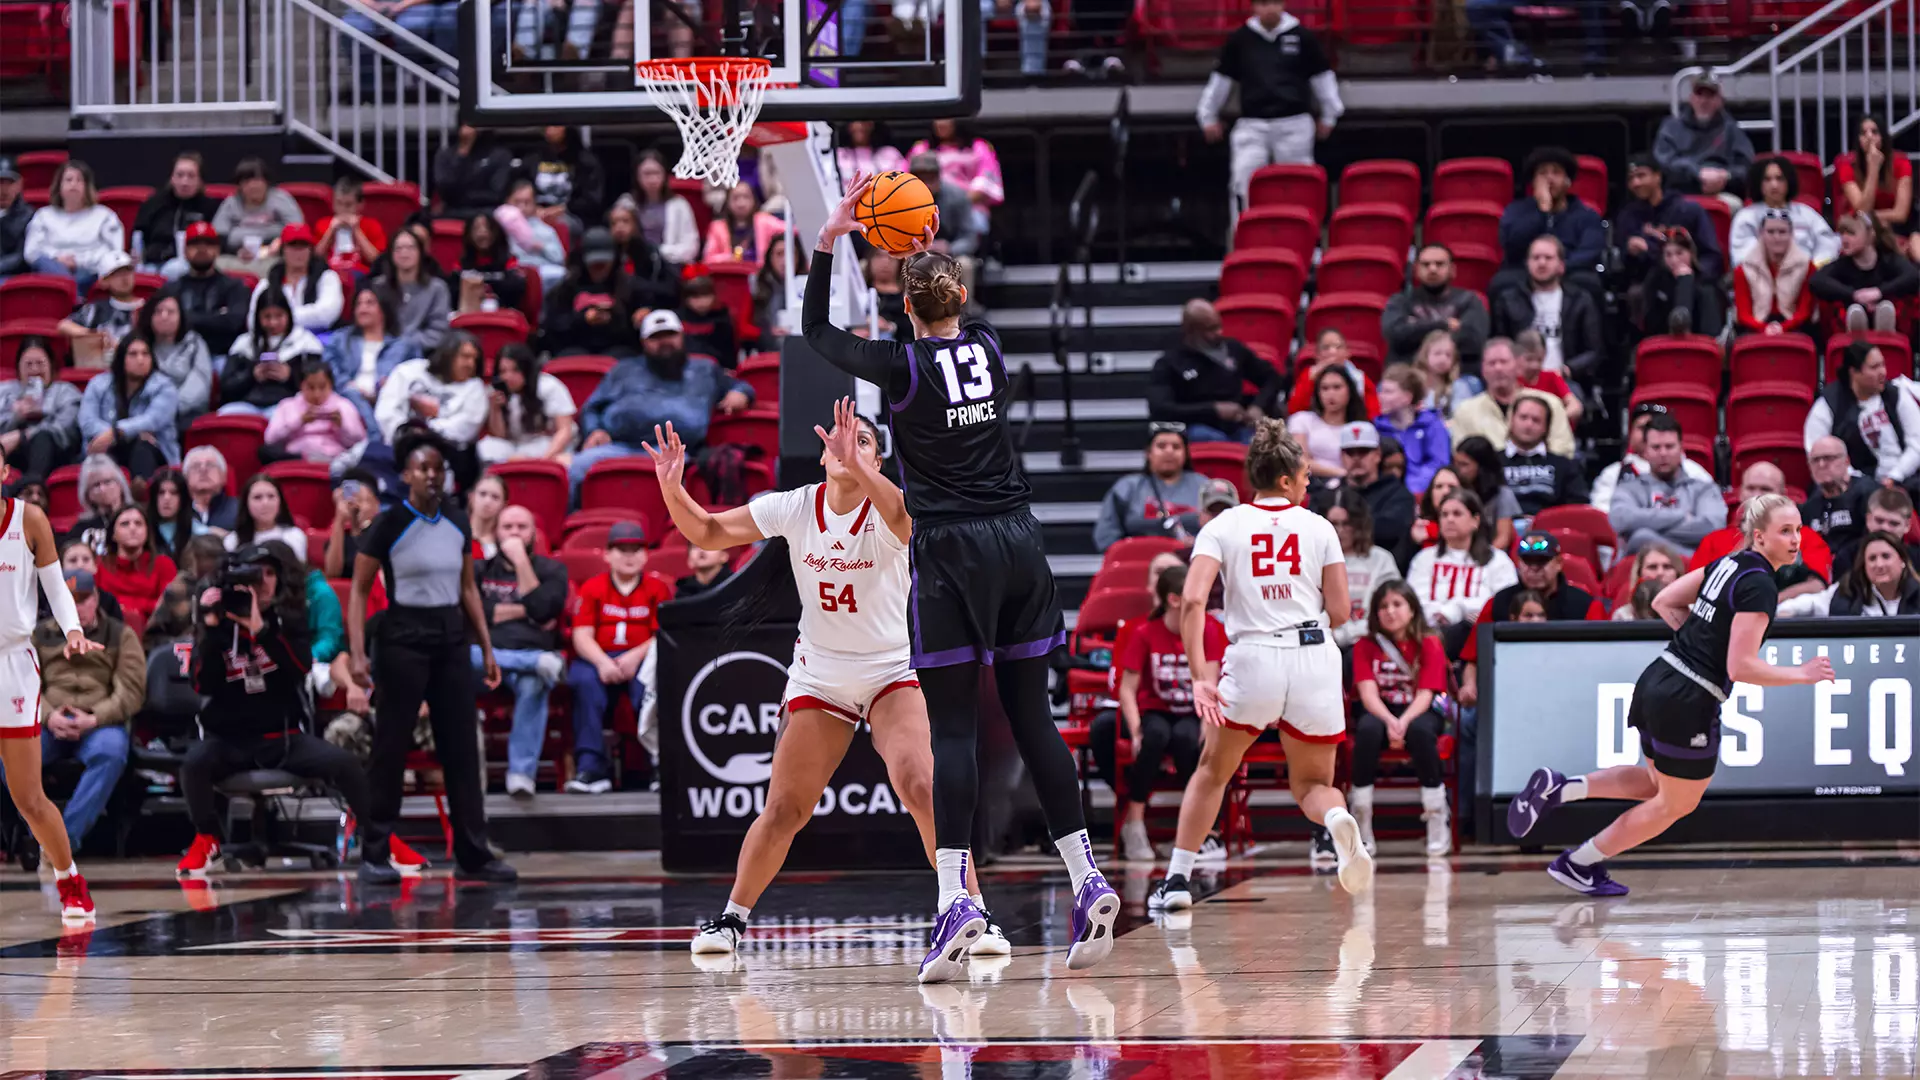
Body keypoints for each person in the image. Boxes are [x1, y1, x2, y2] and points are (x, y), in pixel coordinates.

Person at [806, 177, 1119, 981]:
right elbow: (939, 305)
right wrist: (920, 246)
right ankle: (1087, 879)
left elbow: (816, 331)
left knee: (953, 733)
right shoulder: (986, 346)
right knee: (1034, 715)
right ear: (961, 295)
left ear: (905, 308)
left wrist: (831, 237)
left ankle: (958, 902)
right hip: (1019, 541)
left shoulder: (898, 367)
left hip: (951, 553)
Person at [649, 398, 1013, 955]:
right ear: (821, 457)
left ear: (879, 460)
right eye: (838, 440)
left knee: (920, 785)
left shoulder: (893, 506)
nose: (847, 446)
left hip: (892, 669)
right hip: (820, 676)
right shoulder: (794, 507)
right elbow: (708, 533)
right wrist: (673, 488)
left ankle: (973, 913)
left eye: (863, 441)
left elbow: (906, 523)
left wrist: (862, 465)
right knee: (786, 808)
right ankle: (731, 919)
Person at [1512, 495, 1834, 895]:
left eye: (1799, 529)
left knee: (1654, 783)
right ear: (1759, 537)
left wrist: (1698, 646)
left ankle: (1561, 789)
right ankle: (1578, 863)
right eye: (1785, 531)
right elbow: (1740, 667)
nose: (1796, 539)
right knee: (1675, 804)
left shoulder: (1727, 563)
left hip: (1659, 676)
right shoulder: (1760, 584)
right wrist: (1801, 675)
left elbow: (1665, 600)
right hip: (1688, 699)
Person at [1149, 421, 1370, 911]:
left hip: (1253, 657)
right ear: (1287, 479)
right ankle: (1336, 823)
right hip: (1314, 655)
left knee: (1212, 771)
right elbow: (1340, 612)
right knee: (1314, 784)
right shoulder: (1320, 527)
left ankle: (1179, 882)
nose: (1310, 482)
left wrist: (1200, 674)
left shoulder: (1222, 526)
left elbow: (1190, 600)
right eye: (1307, 475)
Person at [346, 431, 515, 883]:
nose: (431, 475)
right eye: (421, 468)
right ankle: (375, 853)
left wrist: (486, 645)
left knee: (461, 747)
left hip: (451, 639)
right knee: (391, 747)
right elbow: (360, 591)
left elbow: (467, 590)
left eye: (437, 468)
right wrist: (359, 654)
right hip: (402, 638)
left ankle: (472, 853)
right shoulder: (388, 523)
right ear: (405, 475)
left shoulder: (458, 521)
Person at [173, 542, 375, 878]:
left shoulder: (289, 619)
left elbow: (299, 669)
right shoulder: (217, 623)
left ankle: (380, 840)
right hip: (231, 739)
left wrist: (261, 630)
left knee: (346, 763)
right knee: (193, 765)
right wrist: (208, 629)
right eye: (255, 575)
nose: (263, 582)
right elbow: (201, 684)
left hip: (283, 737)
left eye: (269, 573)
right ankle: (208, 840)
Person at [0, 462, 103, 918]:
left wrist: (73, 629)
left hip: (12, 665)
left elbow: (56, 586)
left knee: (28, 797)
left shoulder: (29, 518)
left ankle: (69, 878)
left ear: (4, 470)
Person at [569, 311, 753, 494]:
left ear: (682, 336)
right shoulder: (623, 370)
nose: (664, 342)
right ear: (643, 343)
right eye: (655, 337)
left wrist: (741, 393)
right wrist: (595, 430)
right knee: (578, 466)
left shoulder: (705, 369)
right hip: (619, 447)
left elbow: (741, 386)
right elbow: (592, 407)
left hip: (675, 452)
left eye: (670, 335)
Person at [1111, 564, 1221, 863]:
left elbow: (1210, 681)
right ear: (1174, 600)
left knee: (1188, 740)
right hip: (1156, 710)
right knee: (1154, 737)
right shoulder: (1145, 632)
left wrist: (1205, 726)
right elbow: (1127, 689)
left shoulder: (1208, 629)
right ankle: (1134, 822)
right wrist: (1135, 731)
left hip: (1192, 711)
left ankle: (1200, 830)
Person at [32, 565, 141, 855]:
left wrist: (94, 718)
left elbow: (130, 691)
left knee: (111, 752)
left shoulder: (121, 635)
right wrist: (48, 715)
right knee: (7, 757)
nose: (76, 607)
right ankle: (41, 832)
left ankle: (64, 841)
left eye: (83, 599)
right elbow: (23, 684)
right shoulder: (38, 635)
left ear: (95, 598)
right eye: (68, 600)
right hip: (48, 722)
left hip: (99, 723)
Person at [1197, 0, 1343, 212]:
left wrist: (1330, 114)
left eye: (1274, 3)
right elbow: (1221, 80)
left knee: (1298, 186)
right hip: (1252, 125)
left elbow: (1322, 78)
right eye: (1264, 3)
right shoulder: (1241, 39)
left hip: (1294, 124)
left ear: (1283, 4)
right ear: (1254, 7)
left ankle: (1304, 239)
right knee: (1243, 182)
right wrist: (1208, 116)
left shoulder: (1303, 37)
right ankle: (1244, 238)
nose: (1270, 9)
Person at [563, 520, 670, 795]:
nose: (629, 556)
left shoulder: (658, 588)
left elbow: (662, 635)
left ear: (646, 555)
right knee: (584, 683)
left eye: (636, 550)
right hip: (599, 657)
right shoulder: (592, 587)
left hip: (644, 658)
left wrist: (634, 657)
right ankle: (591, 769)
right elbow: (582, 635)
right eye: (621, 550)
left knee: (653, 685)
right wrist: (602, 662)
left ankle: (661, 764)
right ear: (608, 555)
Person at [1349, 579, 1453, 856]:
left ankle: (1436, 815)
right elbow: (1368, 693)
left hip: (1419, 708)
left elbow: (1427, 693)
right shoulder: (1365, 646)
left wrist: (1403, 721)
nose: (1390, 611)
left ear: (1412, 610)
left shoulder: (1429, 642)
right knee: (1367, 732)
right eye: (1383, 606)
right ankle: (1362, 819)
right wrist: (1390, 720)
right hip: (1380, 708)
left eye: (1397, 604)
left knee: (1420, 731)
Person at [472, 503, 568, 797]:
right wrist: (521, 610)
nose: (514, 533)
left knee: (533, 683)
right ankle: (534, 662)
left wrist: (521, 563)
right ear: (496, 532)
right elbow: (474, 614)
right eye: (508, 527)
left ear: (533, 534)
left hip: (523, 666)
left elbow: (540, 610)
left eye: (521, 527)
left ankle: (521, 775)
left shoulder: (553, 570)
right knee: (459, 654)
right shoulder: (479, 569)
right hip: (482, 660)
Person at [1146, 299, 1279, 444]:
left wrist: (1258, 406)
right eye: (1211, 329)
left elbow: (1272, 378)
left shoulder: (1233, 350)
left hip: (1238, 427)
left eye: (1219, 326)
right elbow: (1160, 409)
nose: (1219, 333)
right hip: (1196, 428)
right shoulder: (1170, 363)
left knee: (1263, 441)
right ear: (1192, 331)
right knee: (1206, 437)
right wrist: (1213, 410)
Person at [375, 332, 491, 491]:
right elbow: (386, 411)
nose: (470, 364)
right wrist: (405, 433)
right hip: (397, 446)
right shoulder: (409, 371)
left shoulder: (474, 387)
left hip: (447, 453)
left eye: (474, 359)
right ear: (448, 354)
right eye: (465, 356)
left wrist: (426, 428)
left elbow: (465, 428)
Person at [1805, 341, 1920, 493]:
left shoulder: (1897, 395)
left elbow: (1916, 445)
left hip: (1904, 481)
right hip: (1853, 487)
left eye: (1883, 365)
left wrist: (1895, 476)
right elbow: (1816, 452)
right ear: (1854, 372)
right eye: (1874, 367)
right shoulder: (1828, 404)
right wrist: (1860, 483)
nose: (1883, 372)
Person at [1490, 236, 1604, 387]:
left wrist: (1567, 370)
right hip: (1520, 381)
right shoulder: (1508, 300)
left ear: (1561, 265)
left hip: (1565, 380)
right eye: (1536, 258)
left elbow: (1593, 352)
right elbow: (1499, 344)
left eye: (1548, 258)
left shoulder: (1580, 300)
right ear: (1527, 263)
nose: (1541, 263)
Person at [1610, 413, 1726, 558]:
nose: (1663, 453)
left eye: (1669, 446)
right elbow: (1620, 520)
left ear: (1681, 449)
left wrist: (1646, 534)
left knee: (1641, 537)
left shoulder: (1704, 489)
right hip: (1640, 574)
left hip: (1693, 575)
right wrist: (1681, 515)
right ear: (1645, 451)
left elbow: (1713, 527)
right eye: (1656, 447)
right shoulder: (1628, 488)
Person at [1494, 149, 1605, 299]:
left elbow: (1590, 251)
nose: (1549, 179)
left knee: (1589, 283)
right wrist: (1542, 211)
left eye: (1556, 172)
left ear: (1568, 181)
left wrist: (1556, 267)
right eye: (1543, 173)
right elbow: (1512, 245)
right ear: (1533, 182)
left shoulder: (1586, 214)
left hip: (1568, 269)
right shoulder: (1516, 210)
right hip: (1526, 269)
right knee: (1500, 283)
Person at [1406, 489, 1518, 627]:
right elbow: (1414, 603)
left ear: (1475, 521)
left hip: (1480, 635)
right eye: (1444, 515)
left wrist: (1457, 609)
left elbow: (1503, 604)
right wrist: (1442, 615)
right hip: (1432, 634)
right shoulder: (1424, 559)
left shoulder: (1498, 560)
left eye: (1457, 514)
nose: (1449, 519)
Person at [1448, 338, 1575, 457]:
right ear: (1483, 369)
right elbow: (1462, 458)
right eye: (1492, 363)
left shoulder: (1549, 403)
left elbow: (1564, 450)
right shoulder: (1465, 411)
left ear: (1517, 365)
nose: (1498, 368)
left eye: (1504, 362)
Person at [1615, 152, 1723, 288]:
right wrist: (1631, 253)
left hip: (1691, 280)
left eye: (1641, 175)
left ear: (1657, 176)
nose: (1636, 183)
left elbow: (1711, 256)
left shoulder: (1688, 210)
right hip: (1651, 284)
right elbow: (1625, 267)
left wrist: (1694, 274)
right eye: (1631, 178)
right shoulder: (1627, 216)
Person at [1092, 424, 1208, 552]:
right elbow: (1106, 536)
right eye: (1161, 446)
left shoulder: (1203, 486)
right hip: (1137, 560)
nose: (1169, 451)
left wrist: (1198, 543)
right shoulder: (1127, 488)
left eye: (1176, 447)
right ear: (1148, 453)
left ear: (1185, 454)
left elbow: (1221, 530)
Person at [80, 335, 180, 479]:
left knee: (142, 448)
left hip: (156, 454)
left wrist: (117, 433)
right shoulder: (98, 384)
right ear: (121, 358)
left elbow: (152, 420)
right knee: (108, 450)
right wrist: (116, 436)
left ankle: (142, 493)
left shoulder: (165, 387)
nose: (140, 359)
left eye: (145, 354)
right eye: (133, 354)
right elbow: (87, 422)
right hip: (107, 450)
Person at [1590, 402, 1716, 513]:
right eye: (1641, 428)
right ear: (1631, 433)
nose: (1647, 434)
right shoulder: (1613, 474)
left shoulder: (1693, 472)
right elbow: (1602, 516)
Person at [541, 227, 646, 358]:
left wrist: (614, 318)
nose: (599, 268)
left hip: (617, 348)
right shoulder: (567, 287)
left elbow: (636, 332)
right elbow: (553, 324)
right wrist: (582, 319)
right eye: (594, 264)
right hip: (576, 347)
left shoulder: (629, 286)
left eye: (603, 263)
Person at [24, 159, 125, 293]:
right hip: (50, 273)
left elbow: (115, 252)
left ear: (87, 186)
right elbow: (31, 252)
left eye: (79, 180)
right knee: (44, 263)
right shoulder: (44, 215)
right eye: (69, 180)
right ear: (59, 186)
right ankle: (73, 295)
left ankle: (69, 293)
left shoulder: (104, 215)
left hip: (89, 273)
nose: (74, 184)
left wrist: (78, 261)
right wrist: (56, 258)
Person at [1382, 244, 1490, 368]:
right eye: (1426, 264)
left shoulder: (1469, 300)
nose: (1432, 269)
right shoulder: (1400, 301)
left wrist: (1415, 327)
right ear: (1416, 270)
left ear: (1452, 270)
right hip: (1408, 375)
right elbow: (1397, 337)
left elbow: (1473, 342)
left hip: (1458, 376)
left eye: (1439, 264)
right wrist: (1445, 326)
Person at [1810, 212, 1920, 334]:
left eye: (1851, 233)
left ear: (1870, 235)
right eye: (1842, 233)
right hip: (1854, 317)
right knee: (1854, 310)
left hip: (1885, 311)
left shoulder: (1888, 259)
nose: (1844, 238)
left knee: (1886, 307)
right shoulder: (1842, 264)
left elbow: (1913, 276)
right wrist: (1854, 295)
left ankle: (1886, 337)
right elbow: (1816, 280)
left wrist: (1879, 292)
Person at [222, 289, 326, 418]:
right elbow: (226, 387)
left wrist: (290, 376)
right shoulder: (243, 344)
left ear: (288, 315)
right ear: (258, 317)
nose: (273, 323)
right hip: (248, 403)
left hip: (288, 404)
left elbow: (319, 387)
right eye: (267, 317)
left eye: (279, 316)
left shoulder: (307, 343)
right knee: (225, 414)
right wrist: (251, 376)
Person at [1654, 73, 1755, 202]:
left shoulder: (1731, 129)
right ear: (1691, 98)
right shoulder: (1671, 127)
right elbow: (1663, 161)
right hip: (1679, 193)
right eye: (1699, 94)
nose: (1704, 101)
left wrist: (1725, 175)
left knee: (1737, 209)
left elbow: (1746, 166)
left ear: (1720, 100)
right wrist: (1697, 173)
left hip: (1722, 194)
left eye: (1710, 95)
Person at [324, 283, 413, 427]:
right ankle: (375, 437)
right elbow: (329, 369)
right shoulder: (339, 339)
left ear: (383, 309)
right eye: (358, 304)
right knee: (352, 394)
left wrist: (389, 385)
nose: (362, 309)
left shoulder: (403, 346)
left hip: (387, 400)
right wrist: (347, 383)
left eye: (369, 303)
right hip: (346, 398)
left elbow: (415, 377)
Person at [1836, 113, 1920, 263]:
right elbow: (1862, 209)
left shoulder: (1901, 162)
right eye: (1863, 133)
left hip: (1899, 225)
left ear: (1883, 136)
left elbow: (1901, 214)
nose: (1869, 137)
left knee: (1915, 245)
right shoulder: (1846, 165)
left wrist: (1873, 217)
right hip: (1861, 225)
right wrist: (1873, 168)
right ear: (1858, 139)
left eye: (1874, 132)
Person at [0, 338, 84, 486]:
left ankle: (31, 489)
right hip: (11, 454)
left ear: (51, 365)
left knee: (43, 437)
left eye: (40, 363)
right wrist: (16, 416)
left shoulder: (66, 391)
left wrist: (22, 436)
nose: (34, 370)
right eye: (28, 364)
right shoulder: (4, 391)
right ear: (18, 368)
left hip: (54, 453)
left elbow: (65, 430)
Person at [161, 222, 253, 357]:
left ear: (217, 250)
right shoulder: (172, 288)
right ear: (185, 251)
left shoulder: (234, 286)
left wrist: (184, 318)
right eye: (195, 244)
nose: (202, 249)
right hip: (180, 355)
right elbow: (165, 325)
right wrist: (217, 317)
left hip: (221, 355)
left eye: (208, 244)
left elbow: (234, 323)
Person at [1779, 531, 1920, 617]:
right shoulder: (1847, 591)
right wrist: (1782, 612)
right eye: (1872, 558)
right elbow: (1810, 604)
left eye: (1886, 556)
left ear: (1902, 561)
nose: (1879, 564)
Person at [1731, 156, 1839, 265]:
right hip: (1760, 277)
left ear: (1789, 181)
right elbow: (1742, 255)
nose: (1774, 185)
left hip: (1808, 276)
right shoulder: (1746, 216)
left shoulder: (1807, 213)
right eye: (1767, 179)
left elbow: (1828, 244)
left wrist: (1813, 268)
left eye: (1780, 178)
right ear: (1758, 182)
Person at [909, 118, 1006, 239]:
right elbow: (905, 183)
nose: (941, 123)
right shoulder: (921, 148)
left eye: (947, 118)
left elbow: (986, 182)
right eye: (937, 118)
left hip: (968, 207)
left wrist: (957, 201)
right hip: (925, 207)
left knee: (977, 223)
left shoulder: (978, 147)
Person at [480, 344, 577, 465]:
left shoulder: (549, 386)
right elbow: (500, 435)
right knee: (486, 448)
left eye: (515, 370)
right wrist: (495, 409)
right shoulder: (496, 391)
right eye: (503, 371)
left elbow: (564, 430)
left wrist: (543, 461)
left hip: (547, 444)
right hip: (515, 445)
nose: (508, 376)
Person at [1327, 487, 1400, 647]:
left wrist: (1345, 635)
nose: (1339, 531)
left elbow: (1390, 609)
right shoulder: (1316, 559)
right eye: (1333, 524)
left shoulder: (1381, 559)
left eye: (1346, 524)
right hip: (1326, 642)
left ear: (1359, 524)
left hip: (1369, 640)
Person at [248, 225, 345, 338]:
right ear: (283, 250)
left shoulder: (327, 277)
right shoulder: (267, 283)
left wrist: (279, 318)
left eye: (303, 246)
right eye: (293, 246)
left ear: (310, 250)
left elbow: (326, 315)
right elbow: (252, 321)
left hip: (318, 341)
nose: (298, 252)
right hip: (277, 342)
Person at [1333, 421, 1416, 550]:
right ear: (1342, 456)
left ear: (1377, 455)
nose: (1356, 458)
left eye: (1363, 451)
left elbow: (1389, 530)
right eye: (1350, 452)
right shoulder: (1331, 494)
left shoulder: (1398, 494)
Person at [1501, 394, 1587, 518]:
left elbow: (1579, 507)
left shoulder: (1564, 465)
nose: (1528, 425)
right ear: (1511, 421)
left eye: (1536, 420)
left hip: (1549, 530)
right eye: (1523, 417)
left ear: (1545, 428)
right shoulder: (1492, 461)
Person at [264, 361, 366, 464]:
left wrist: (342, 426)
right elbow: (270, 439)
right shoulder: (287, 405)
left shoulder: (344, 405)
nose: (317, 394)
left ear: (331, 385)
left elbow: (359, 442)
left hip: (333, 459)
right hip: (296, 457)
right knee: (265, 452)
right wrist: (299, 421)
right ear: (301, 385)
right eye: (310, 387)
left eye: (322, 387)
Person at [1733, 208, 1815, 336]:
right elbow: (1743, 314)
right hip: (1755, 326)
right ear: (1761, 234)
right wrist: (1764, 328)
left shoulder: (1807, 266)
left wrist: (1782, 328)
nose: (1776, 237)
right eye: (1770, 232)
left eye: (1782, 232)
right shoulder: (1743, 268)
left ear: (1791, 234)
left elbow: (1805, 312)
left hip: (1795, 326)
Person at [212, 159, 304, 270]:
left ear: (266, 182)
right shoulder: (231, 203)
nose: (253, 186)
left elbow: (298, 229)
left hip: (273, 255)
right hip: (236, 255)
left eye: (257, 180)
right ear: (239, 186)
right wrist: (236, 251)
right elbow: (218, 235)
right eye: (246, 182)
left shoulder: (280, 199)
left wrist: (280, 244)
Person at [139, 293, 214, 430]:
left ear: (181, 316)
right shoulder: (139, 345)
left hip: (185, 412)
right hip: (143, 412)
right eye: (158, 311)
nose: (164, 316)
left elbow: (200, 383)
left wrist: (166, 408)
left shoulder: (195, 344)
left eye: (171, 312)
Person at [369, 228, 450, 354]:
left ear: (420, 253)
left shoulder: (437, 288)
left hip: (423, 353)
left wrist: (406, 344)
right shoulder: (378, 286)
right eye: (398, 249)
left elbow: (438, 332)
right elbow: (371, 327)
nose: (404, 253)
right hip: (382, 351)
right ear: (391, 254)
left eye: (411, 248)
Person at [1371, 364, 1449, 495]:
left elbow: (1438, 464)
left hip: (1425, 493)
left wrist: (1411, 488)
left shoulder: (1432, 425)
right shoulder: (1375, 428)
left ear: (1407, 397)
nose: (1380, 396)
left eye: (1388, 392)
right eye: (1381, 391)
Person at [95, 504, 176, 627]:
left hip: (155, 632)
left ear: (147, 532)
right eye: (125, 524)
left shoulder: (163, 564)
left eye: (138, 523)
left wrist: (125, 605)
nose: (132, 528)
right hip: (108, 631)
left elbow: (169, 606)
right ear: (113, 534)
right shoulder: (99, 565)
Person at [526, 126, 606, 244]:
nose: (550, 129)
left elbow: (592, 200)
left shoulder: (585, 161)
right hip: (535, 211)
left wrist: (562, 209)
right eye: (547, 125)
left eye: (555, 125)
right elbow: (519, 188)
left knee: (560, 225)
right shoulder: (533, 158)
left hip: (571, 214)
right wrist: (533, 209)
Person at [1803, 435, 1878, 558]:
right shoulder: (1810, 504)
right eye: (1815, 460)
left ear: (1846, 461)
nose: (1821, 465)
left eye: (1828, 458)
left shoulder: (1868, 493)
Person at [1640, 228, 1724, 337]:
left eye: (1679, 253)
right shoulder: (1655, 280)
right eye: (1668, 255)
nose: (1674, 260)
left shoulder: (1706, 282)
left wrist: (1685, 281)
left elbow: (1712, 330)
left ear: (1691, 253)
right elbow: (1650, 325)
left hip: (1700, 344)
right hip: (1664, 343)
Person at [606, 195, 682, 314]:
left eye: (625, 221)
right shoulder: (606, 251)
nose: (619, 227)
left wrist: (649, 307)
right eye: (614, 223)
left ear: (636, 224)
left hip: (648, 309)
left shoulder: (650, 253)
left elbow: (670, 289)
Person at [1288, 364, 1367, 478]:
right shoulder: (1302, 420)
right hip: (1310, 486)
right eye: (1325, 388)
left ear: (1350, 390)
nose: (1331, 394)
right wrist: (1343, 474)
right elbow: (1300, 462)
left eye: (1337, 387)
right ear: (1318, 393)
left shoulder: (1359, 428)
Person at [1282, 328, 1380, 417]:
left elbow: (1374, 414)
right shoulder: (1308, 375)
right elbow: (1294, 411)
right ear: (1317, 355)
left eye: (1338, 347)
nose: (1333, 352)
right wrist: (1310, 380)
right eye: (1326, 348)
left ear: (1347, 353)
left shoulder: (1360, 378)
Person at [449, 212, 528, 316]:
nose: (482, 233)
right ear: (468, 234)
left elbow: (516, 288)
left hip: (502, 313)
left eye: (487, 228)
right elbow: (453, 292)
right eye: (476, 229)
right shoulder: (462, 263)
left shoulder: (509, 261)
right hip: (468, 313)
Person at [629, 150, 700, 264]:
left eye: (656, 173)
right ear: (637, 176)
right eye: (647, 174)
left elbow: (691, 247)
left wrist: (659, 252)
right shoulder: (628, 203)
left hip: (670, 266)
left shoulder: (679, 205)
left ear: (665, 175)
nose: (652, 179)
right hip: (636, 266)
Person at [1449, 437, 1520, 552]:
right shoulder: (1453, 490)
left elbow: (1503, 538)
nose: (1458, 470)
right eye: (1455, 464)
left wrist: (1482, 559)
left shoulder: (1502, 494)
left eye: (1464, 465)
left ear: (1482, 467)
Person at [431, 126, 515, 222]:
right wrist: (463, 153)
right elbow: (445, 190)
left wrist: (463, 196)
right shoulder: (445, 155)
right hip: (454, 211)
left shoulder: (500, 155)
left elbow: (497, 193)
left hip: (488, 211)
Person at [497, 178, 568, 288]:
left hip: (542, 272)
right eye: (517, 202)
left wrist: (542, 247)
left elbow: (560, 258)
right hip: (513, 273)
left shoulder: (545, 230)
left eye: (527, 202)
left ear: (534, 203)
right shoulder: (498, 228)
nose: (522, 207)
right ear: (508, 201)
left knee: (560, 274)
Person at [311, 176, 387, 279]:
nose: (343, 209)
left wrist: (356, 230)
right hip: (330, 273)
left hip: (360, 275)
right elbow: (316, 257)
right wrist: (331, 231)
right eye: (339, 203)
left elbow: (375, 259)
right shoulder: (323, 224)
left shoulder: (371, 225)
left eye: (348, 205)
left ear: (360, 204)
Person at [223, 473, 308, 562]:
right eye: (257, 497)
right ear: (246, 504)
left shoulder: (294, 536)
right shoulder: (232, 541)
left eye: (271, 496)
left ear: (280, 501)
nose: (265, 503)